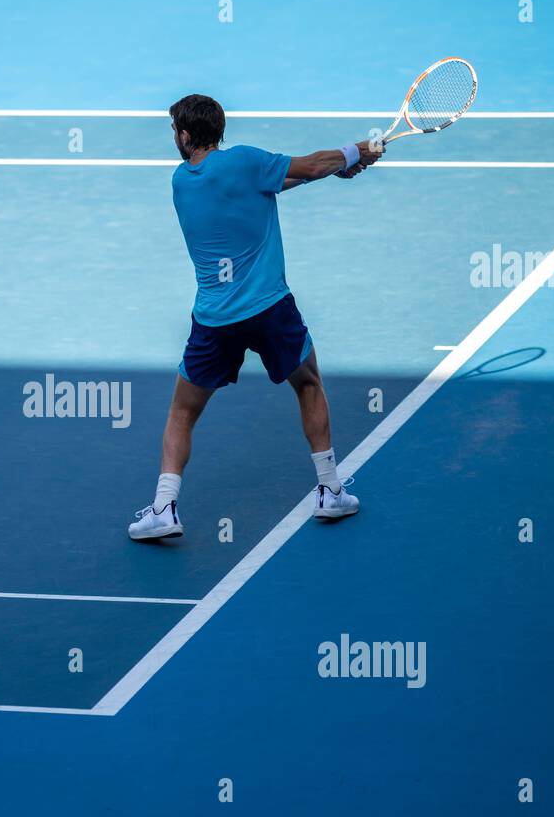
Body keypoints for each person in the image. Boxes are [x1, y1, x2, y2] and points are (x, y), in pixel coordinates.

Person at [128, 94, 383, 541]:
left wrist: (334, 168)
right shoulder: (246, 162)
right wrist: (353, 154)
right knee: (308, 384)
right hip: (269, 309)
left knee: (183, 411)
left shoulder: (181, 182)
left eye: (174, 131)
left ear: (186, 136)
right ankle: (329, 491)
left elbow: (280, 181)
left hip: (214, 320)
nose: (174, 138)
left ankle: (165, 508)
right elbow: (303, 168)